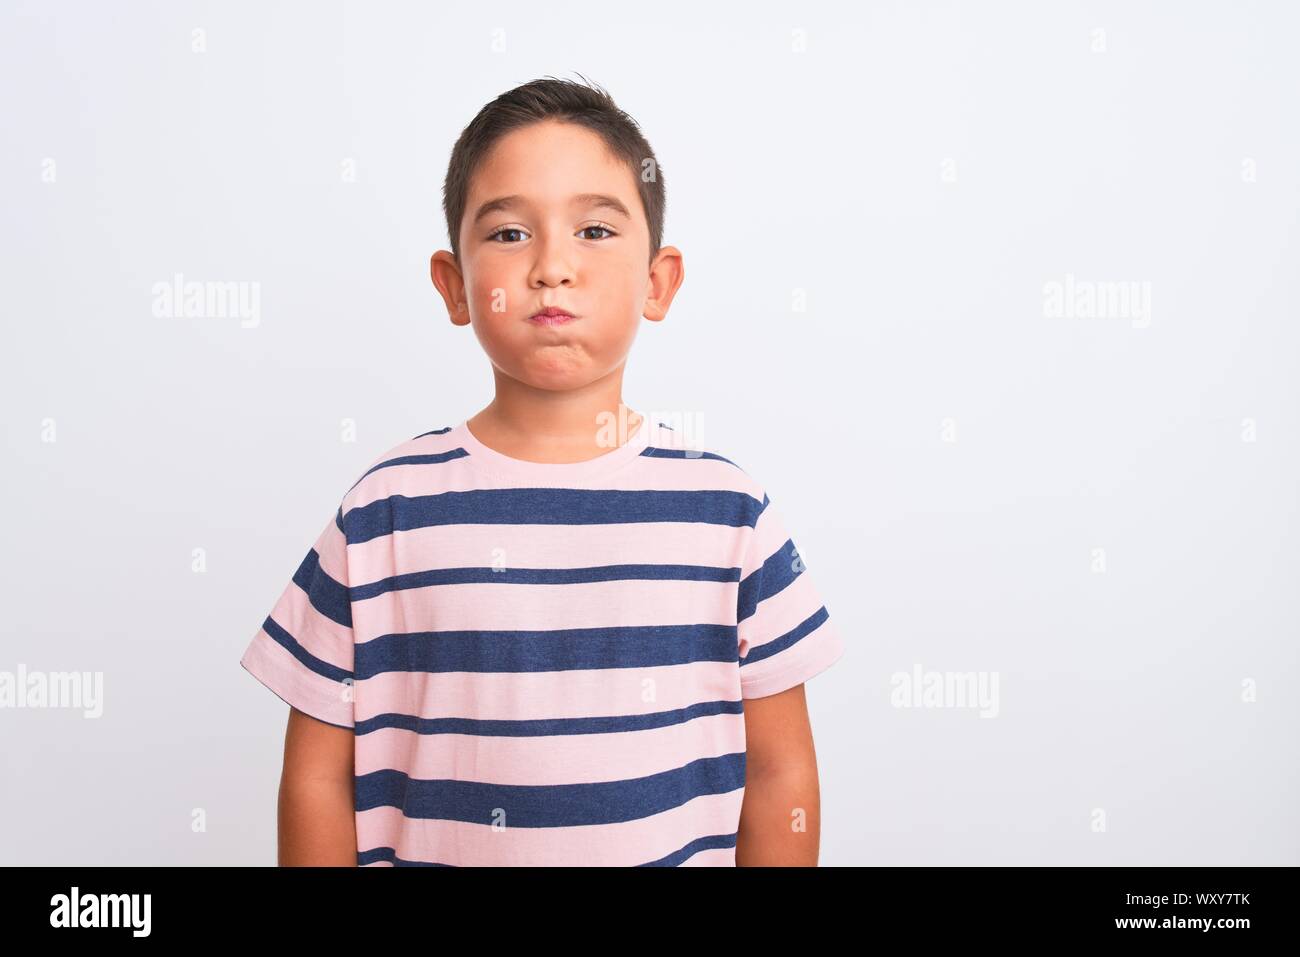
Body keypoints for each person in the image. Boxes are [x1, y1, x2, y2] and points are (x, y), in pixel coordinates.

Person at [240, 75, 844, 866]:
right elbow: (316, 775)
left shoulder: (728, 513)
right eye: (510, 233)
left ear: (657, 282)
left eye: (594, 230)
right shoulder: (382, 511)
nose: (552, 266)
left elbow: (780, 771)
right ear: (455, 285)